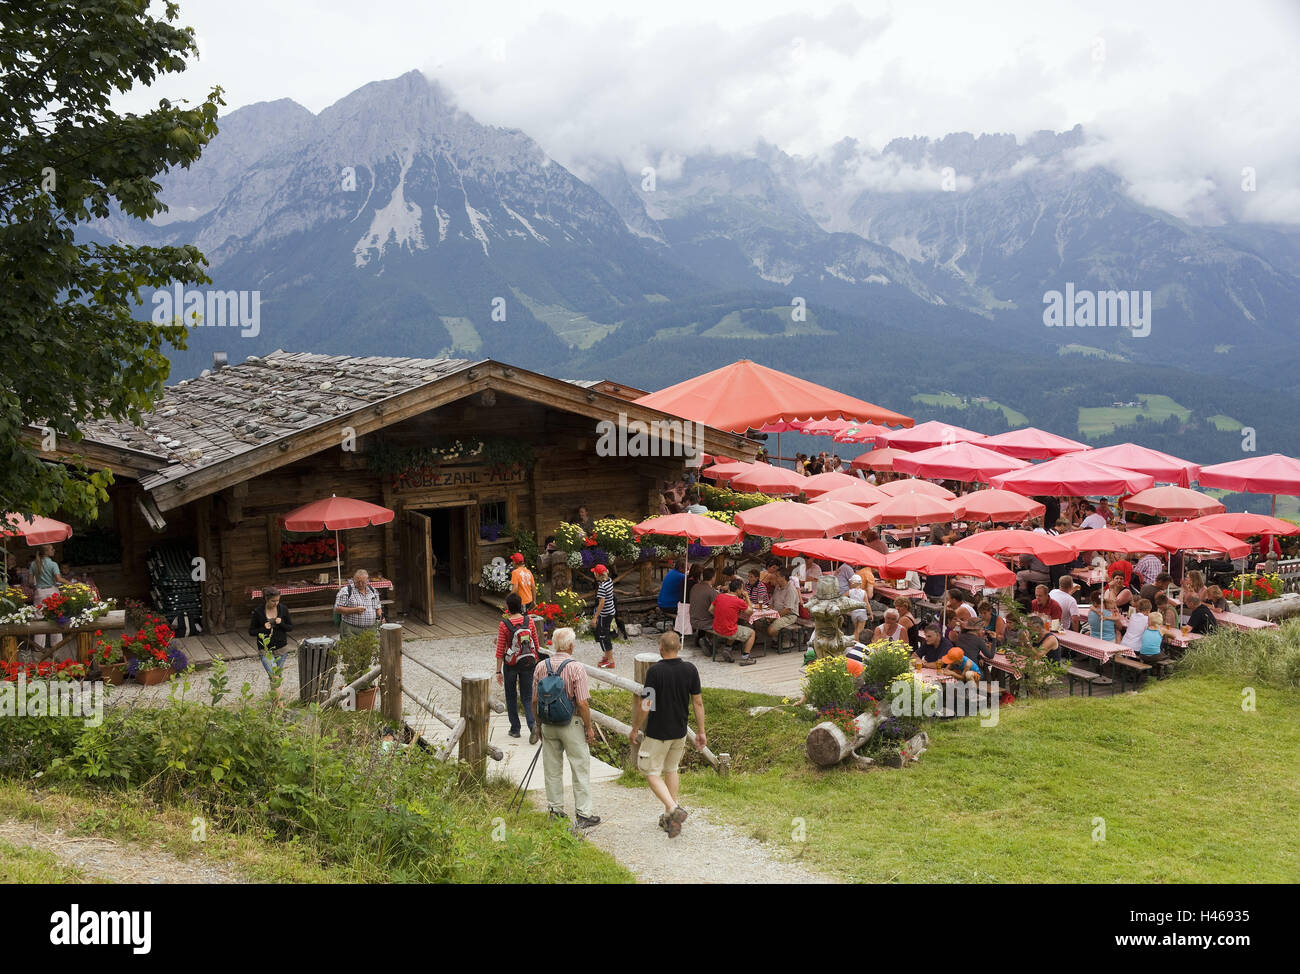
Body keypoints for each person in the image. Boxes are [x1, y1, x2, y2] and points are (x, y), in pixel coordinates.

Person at [629, 631, 705, 838]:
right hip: (679, 730)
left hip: (657, 732)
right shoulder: (690, 669)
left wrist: (636, 727)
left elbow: (647, 704)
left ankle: (673, 809)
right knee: (671, 770)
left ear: (660, 648)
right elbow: (697, 702)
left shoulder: (655, 672)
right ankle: (671, 820)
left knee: (650, 771)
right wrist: (700, 731)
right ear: (679, 647)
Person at [531, 627, 600, 828]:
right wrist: (588, 727)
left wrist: (538, 724)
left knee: (552, 768)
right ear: (571, 646)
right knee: (579, 767)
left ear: (552, 643)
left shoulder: (540, 666)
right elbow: (582, 704)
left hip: (548, 724)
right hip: (571, 723)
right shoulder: (576, 668)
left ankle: (556, 810)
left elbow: (534, 700)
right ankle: (584, 814)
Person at [495, 593, 541, 740]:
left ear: (508, 607)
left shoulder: (504, 624)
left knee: (511, 696)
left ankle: (515, 729)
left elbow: (500, 650)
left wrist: (498, 671)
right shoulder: (529, 621)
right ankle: (532, 725)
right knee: (527, 696)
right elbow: (536, 644)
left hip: (510, 664)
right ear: (521, 605)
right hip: (528, 662)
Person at [249, 585, 295, 690]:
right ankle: (280, 705)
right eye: (273, 601)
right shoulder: (258, 612)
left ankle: (275, 702)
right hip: (265, 650)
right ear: (266, 599)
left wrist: (281, 623)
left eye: (278, 600)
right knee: (274, 676)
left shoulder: (283, 609)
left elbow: (290, 627)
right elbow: (251, 632)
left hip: (281, 649)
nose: (276, 603)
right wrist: (263, 629)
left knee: (277, 676)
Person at [28, 544, 70, 653]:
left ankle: (38, 647)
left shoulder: (33, 564)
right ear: (47, 552)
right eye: (52, 549)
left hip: (39, 593)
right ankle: (56, 645)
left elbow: (30, 582)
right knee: (56, 617)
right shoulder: (53, 564)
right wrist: (70, 583)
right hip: (52, 592)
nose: (54, 550)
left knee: (39, 618)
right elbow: (58, 578)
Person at [709, 579, 757, 664]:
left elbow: (710, 609)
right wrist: (747, 597)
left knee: (735, 625)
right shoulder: (738, 601)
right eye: (742, 589)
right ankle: (746, 657)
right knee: (752, 633)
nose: (743, 591)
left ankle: (727, 649)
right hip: (728, 630)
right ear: (738, 590)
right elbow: (750, 612)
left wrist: (721, 617)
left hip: (716, 628)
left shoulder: (720, 596)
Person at [334, 569, 384, 637]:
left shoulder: (373, 591)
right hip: (351, 630)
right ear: (353, 580)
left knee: (371, 647)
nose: (360, 584)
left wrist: (381, 617)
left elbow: (378, 607)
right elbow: (337, 609)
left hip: (371, 629)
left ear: (367, 580)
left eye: (363, 582)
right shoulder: (346, 591)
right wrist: (354, 610)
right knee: (352, 647)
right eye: (358, 582)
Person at [764, 566, 801, 643]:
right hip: (777, 612)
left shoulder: (791, 589)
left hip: (789, 616)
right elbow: (772, 602)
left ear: (783, 577)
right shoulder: (778, 586)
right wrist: (768, 612)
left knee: (771, 630)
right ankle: (778, 639)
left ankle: (784, 639)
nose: (775, 578)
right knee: (759, 621)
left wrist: (774, 617)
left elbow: (787, 610)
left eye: (777, 576)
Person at [591, 564, 616, 669]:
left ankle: (610, 661)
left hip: (604, 614)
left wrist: (595, 617)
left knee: (604, 636)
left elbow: (601, 603)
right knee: (604, 634)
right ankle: (606, 656)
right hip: (611, 611)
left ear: (597, 575)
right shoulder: (609, 581)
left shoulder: (602, 587)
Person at [688, 567, 718, 638]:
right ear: (713, 578)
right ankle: (709, 642)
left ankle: (702, 638)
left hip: (692, 619)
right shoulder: (712, 591)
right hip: (705, 623)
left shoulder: (695, 586)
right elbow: (716, 609)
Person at [846, 576, 871, 642]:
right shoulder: (863, 592)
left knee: (856, 629)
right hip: (862, 612)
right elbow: (867, 604)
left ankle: (855, 642)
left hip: (853, 612)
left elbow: (842, 599)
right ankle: (855, 643)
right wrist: (871, 613)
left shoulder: (849, 592)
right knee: (859, 630)